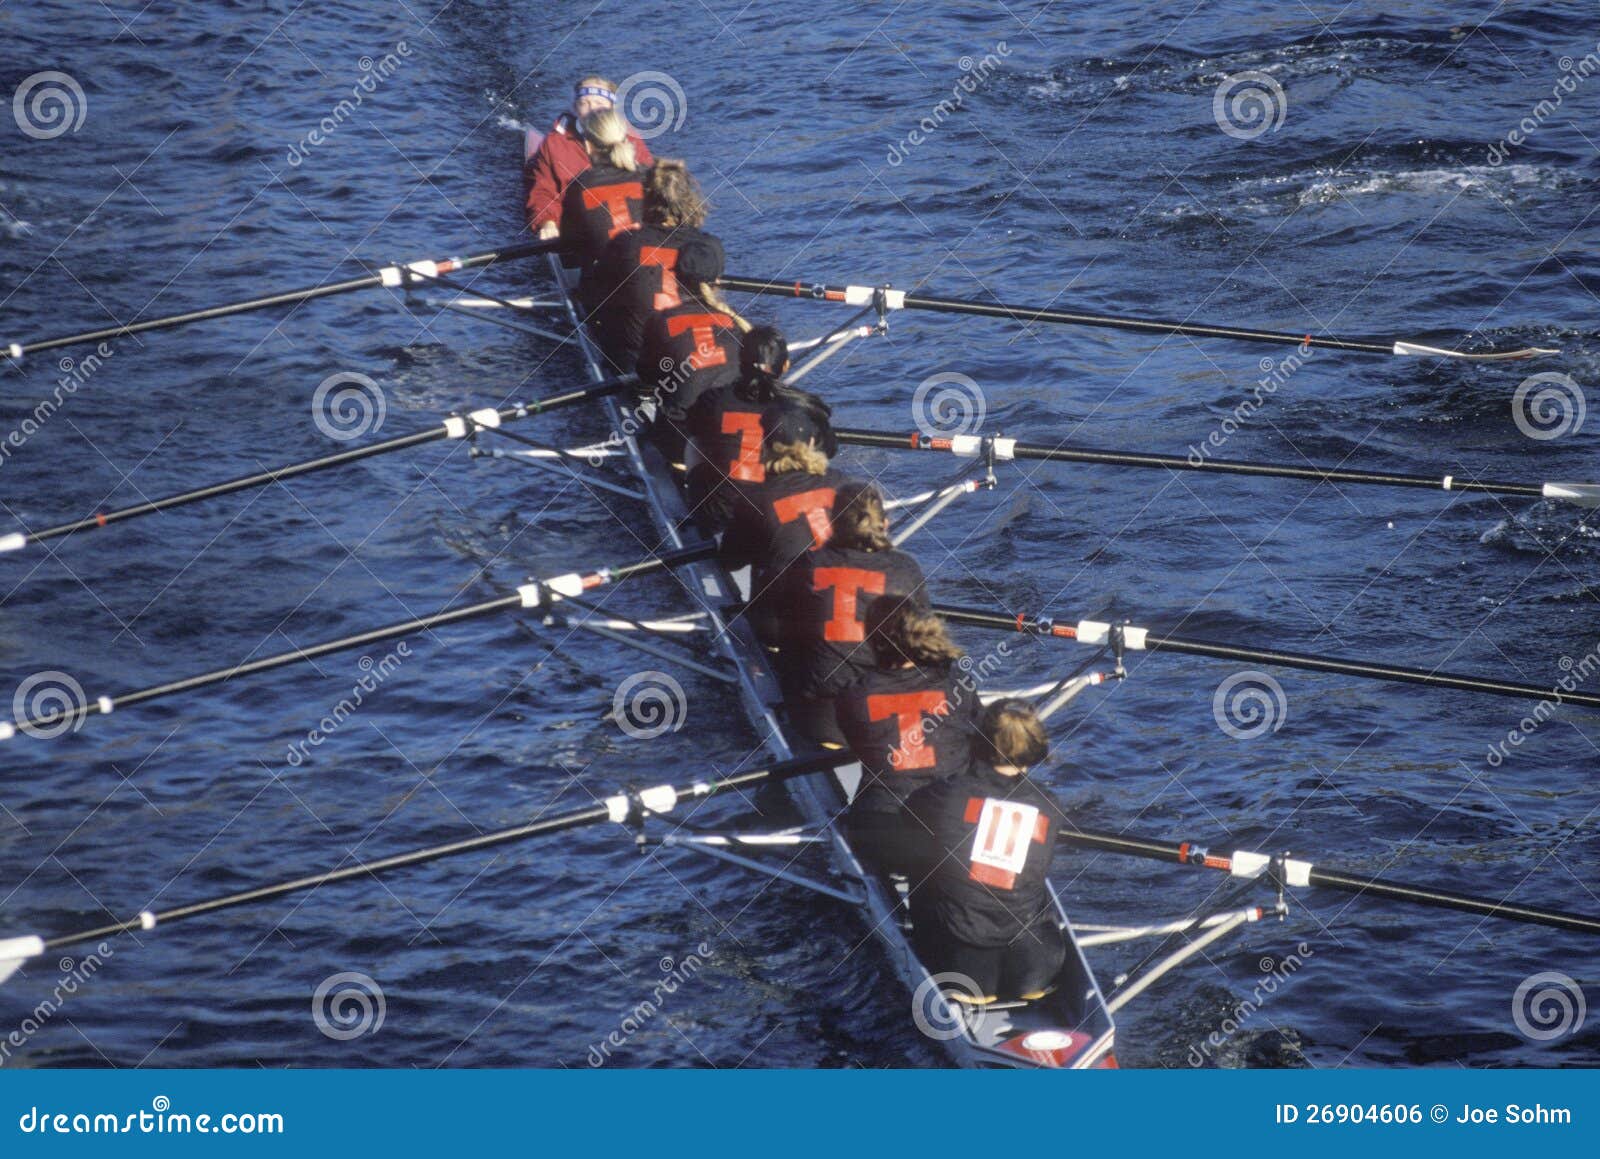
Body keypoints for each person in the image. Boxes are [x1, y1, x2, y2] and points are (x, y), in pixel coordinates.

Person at [904, 700, 1069, 1004]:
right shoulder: (1050, 805)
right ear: (1035, 747)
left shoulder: (946, 795)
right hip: (1038, 964)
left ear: (977, 741)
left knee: (924, 858)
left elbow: (908, 813)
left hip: (964, 968)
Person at [834, 602, 977, 873]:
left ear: (872, 640)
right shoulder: (958, 682)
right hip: (957, 831)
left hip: (885, 834)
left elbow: (857, 743)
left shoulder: (854, 693)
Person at [781, 482, 927, 746]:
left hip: (824, 719)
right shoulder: (906, 569)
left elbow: (779, 628)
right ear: (885, 523)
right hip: (885, 718)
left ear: (833, 524)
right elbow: (925, 646)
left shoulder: (806, 564)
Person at [718, 405, 855, 646]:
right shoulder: (843, 482)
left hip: (781, 629)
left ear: (765, 446)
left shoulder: (755, 498)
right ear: (812, 442)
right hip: (846, 617)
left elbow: (730, 561)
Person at [684, 325, 836, 533]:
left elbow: (690, 426)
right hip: (777, 515)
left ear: (740, 362)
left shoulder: (711, 399)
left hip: (722, 515)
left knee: (695, 442)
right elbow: (830, 449)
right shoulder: (805, 407)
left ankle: (693, 503)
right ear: (785, 365)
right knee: (812, 455)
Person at [587, 160, 717, 370]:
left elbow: (595, 294)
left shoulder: (624, 242)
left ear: (645, 199)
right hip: (691, 352)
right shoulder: (710, 246)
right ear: (690, 199)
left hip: (638, 355)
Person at [634, 236, 748, 464]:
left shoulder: (658, 321)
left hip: (683, 440)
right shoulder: (735, 323)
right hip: (731, 435)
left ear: (676, 278)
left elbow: (646, 376)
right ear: (717, 281)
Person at [524, 76, 654, 236]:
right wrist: (547, 222)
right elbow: (544, 191)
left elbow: (652, 187)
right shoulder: (554, 144)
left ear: (612, 108)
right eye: (585, 103)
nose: (592, 110)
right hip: (579, 229)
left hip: (628, 225)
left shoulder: (632, 139)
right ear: (575, 108)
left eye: (599, 103)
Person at [557, 109, 644, 286]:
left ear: (588, 146)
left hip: (606, 288)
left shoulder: (578, 186)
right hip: (655, 277)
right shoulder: (652, 176)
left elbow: (569, 253)